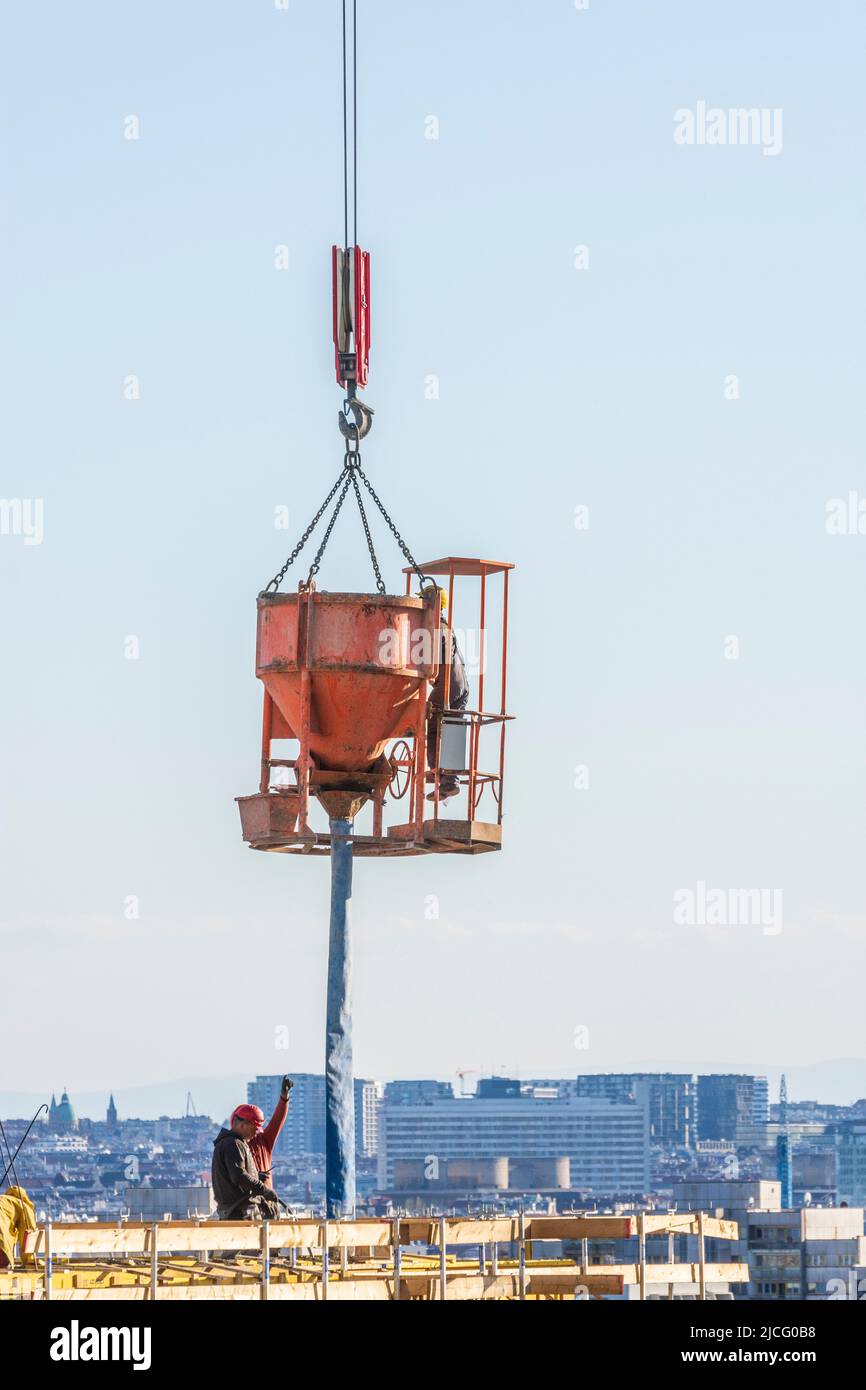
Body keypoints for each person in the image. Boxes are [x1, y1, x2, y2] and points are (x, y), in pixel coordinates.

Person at [425, 586, 470, 800]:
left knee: (432, 725)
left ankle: (439, 774)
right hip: (461, 686)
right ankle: (450, 781)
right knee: (453, 727)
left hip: (448, 685)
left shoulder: (434, 629)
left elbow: (429, 665)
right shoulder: (445, 627)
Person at [211, 1106, 281, 1221]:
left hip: (236, 1210)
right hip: (238, 1212)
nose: (256, 1133)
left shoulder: (232, 1143)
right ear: (242, 1125)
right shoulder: (233, 1144)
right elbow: (239, 1177)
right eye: (254, 1128)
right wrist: (264, 1190)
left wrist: (255, 1176)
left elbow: (234, 1174)